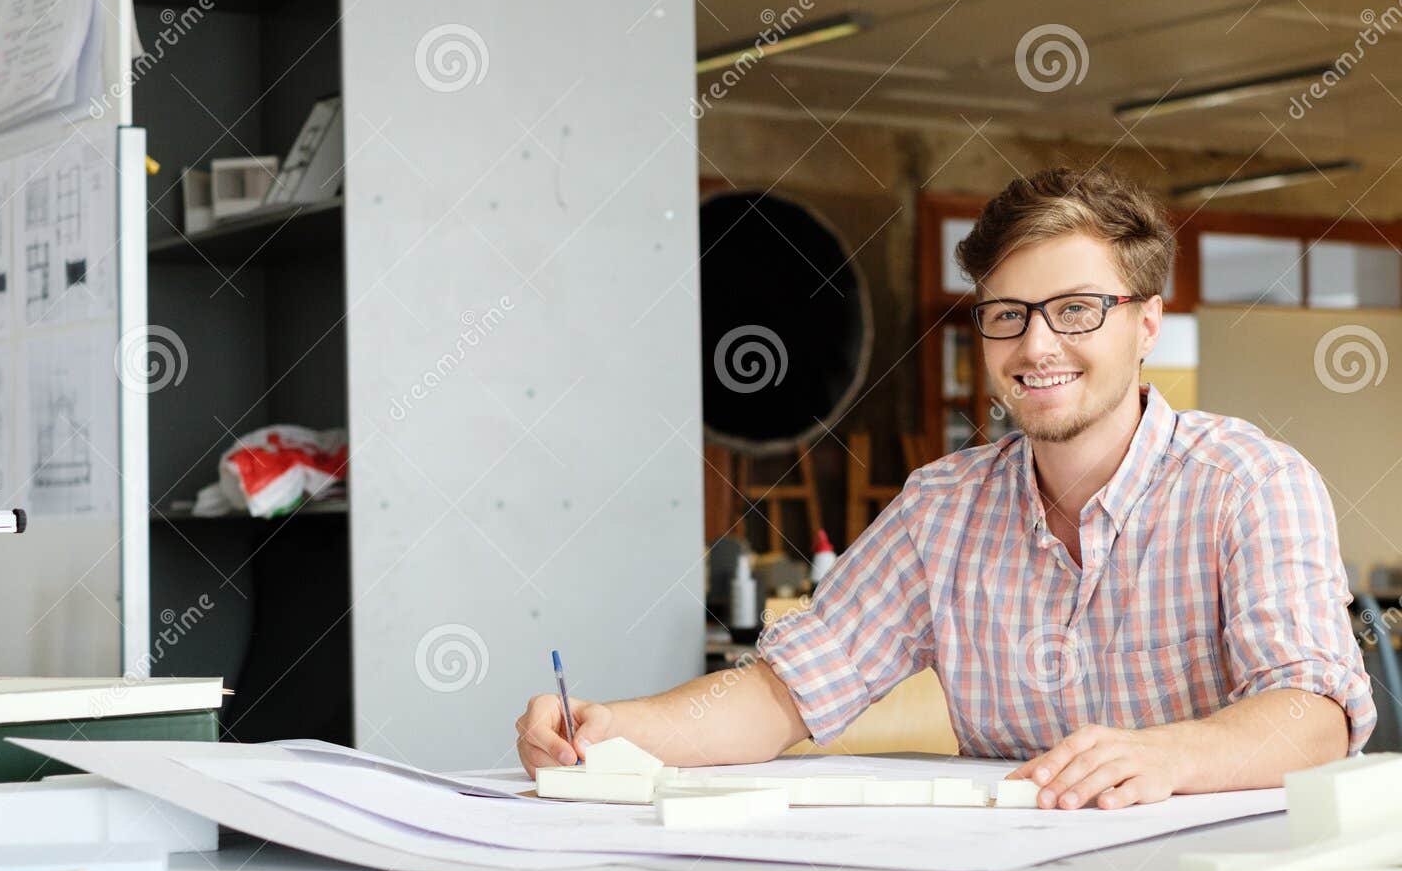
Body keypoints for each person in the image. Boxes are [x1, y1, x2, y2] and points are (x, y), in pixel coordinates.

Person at [515, 166, 1375, 810]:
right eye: (1008, 313)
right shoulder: (944, 507)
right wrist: (615, 727)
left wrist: (1169, 758)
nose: (1037, 346)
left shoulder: (1250, 486)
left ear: (1146, 321)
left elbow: (1314, 714)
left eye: (1076, 309)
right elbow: (785, 691)